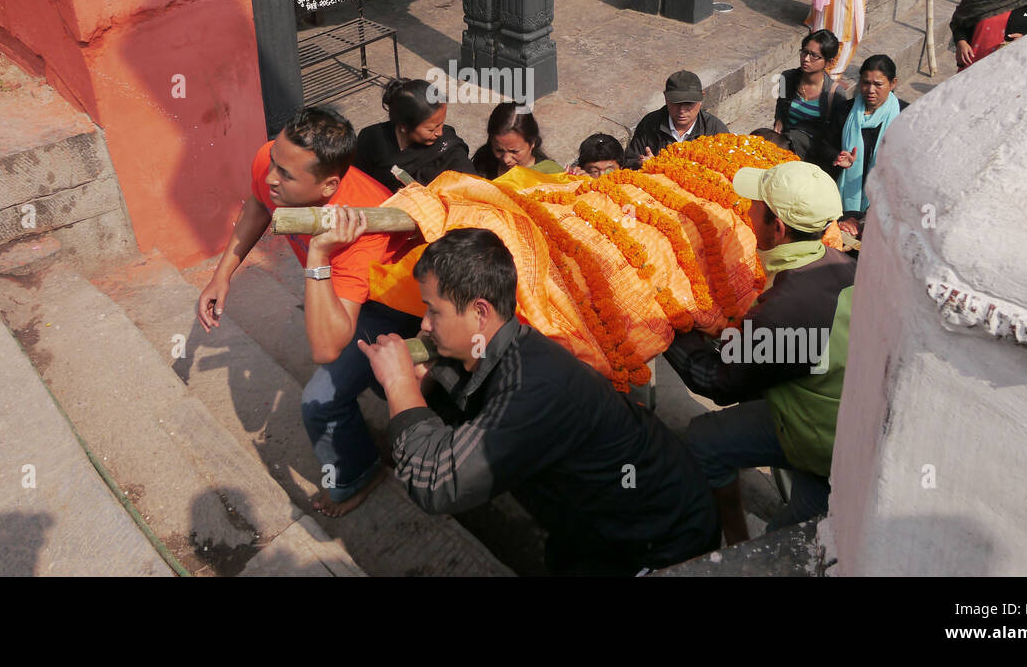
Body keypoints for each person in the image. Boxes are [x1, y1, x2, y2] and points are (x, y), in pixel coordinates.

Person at [358, 227, 721, 574]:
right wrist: (425, 382)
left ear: (480, 312)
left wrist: (398, 383)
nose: (423, 325)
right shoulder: (503, 347)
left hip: (660, 541)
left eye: (433, 310)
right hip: (595, 527)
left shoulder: (532, 385)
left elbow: (437, 484)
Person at [196, 106, 418, 518]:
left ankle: (359, 473)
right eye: (274, 163)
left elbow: (326, 348)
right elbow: (259, 204)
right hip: (343, 290)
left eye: (285, 175)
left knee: (320, 402)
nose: (269, 177)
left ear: (328, 185)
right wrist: (222, 274)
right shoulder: (276, 159)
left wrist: (319, 251)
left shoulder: (363, 231)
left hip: (391, 302)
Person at [662, 161, 855, 542]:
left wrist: (667, 324)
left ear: (778, 227)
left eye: (754, 206)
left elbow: (717, 381)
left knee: (785, 545)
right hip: (825, 407)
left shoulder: (788, 308)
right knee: (704, 439)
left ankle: (740, 550)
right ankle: (735, 535)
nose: (746, 211)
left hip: (824, 445)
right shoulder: (841, 265)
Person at [831, 55, 907, 238]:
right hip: (845, 200)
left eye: (878, 84)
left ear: (893, 83)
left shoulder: (906, 116)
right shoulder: (845, 111)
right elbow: (825, 146)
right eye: (865, 83)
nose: (870, 90)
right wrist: (838, 158)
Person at [354, 77, 475, 190]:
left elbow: (469, 180)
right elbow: (357, 181)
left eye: (442, 123)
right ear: (404, 127)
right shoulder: (371, 139)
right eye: (432, 129)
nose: (440, 132)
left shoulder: (448, 147)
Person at [772, 30, 849, 168]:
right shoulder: (786, 78)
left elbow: (836, 135)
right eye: (804, 52)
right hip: (784, 146)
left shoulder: (835, 94)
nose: (806, 59)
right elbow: (781, 105)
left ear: (829, 62)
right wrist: (779, 120)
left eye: (814, 56)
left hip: (812, 157)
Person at [625, 70, 729, 166]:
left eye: (688, 103)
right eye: (676, 103)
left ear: (701, 98)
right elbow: (629, 162)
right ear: (665, 97)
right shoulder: (649, 124)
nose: (682, 110)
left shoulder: (715, 130)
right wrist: (641, 164)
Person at [471, 102, 562, 179]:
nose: (506, 159)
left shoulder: (551, 175)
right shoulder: (483, 166)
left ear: (532, 142)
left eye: (514, 151)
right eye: (499, 150)